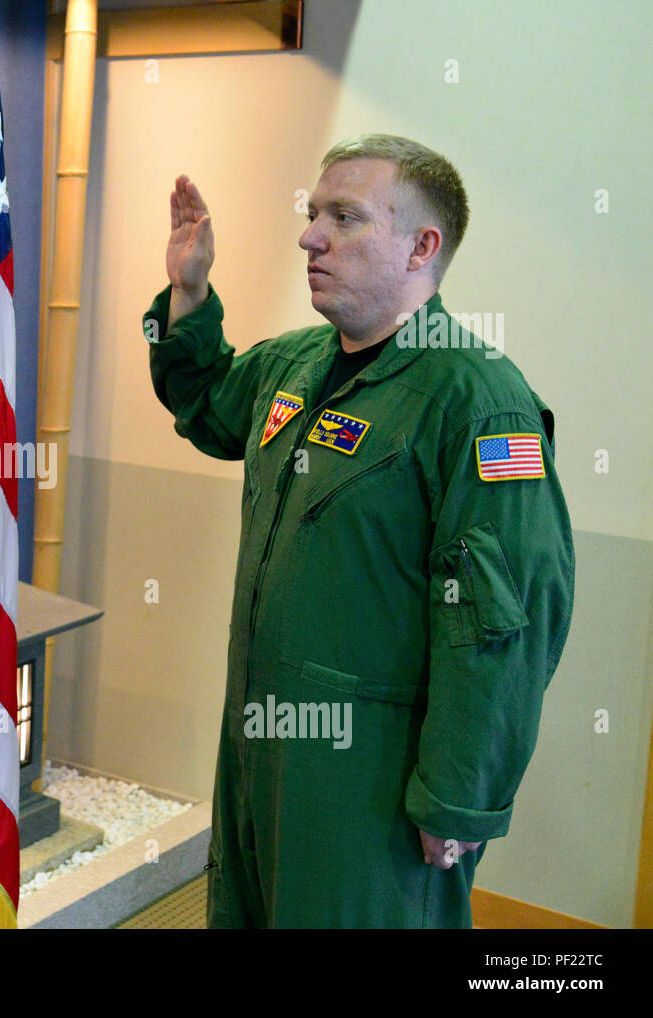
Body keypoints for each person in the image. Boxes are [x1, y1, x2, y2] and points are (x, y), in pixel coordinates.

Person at [144, 134, 574, 928]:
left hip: (369, 785)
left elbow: (504, 626)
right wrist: (190, 292)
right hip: (258, 754)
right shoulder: (295, 365)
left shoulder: (478, 402)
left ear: (421, 247)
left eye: (344, 217)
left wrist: (458, 796)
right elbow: (204, 401)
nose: (310, 237)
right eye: (314, 214)